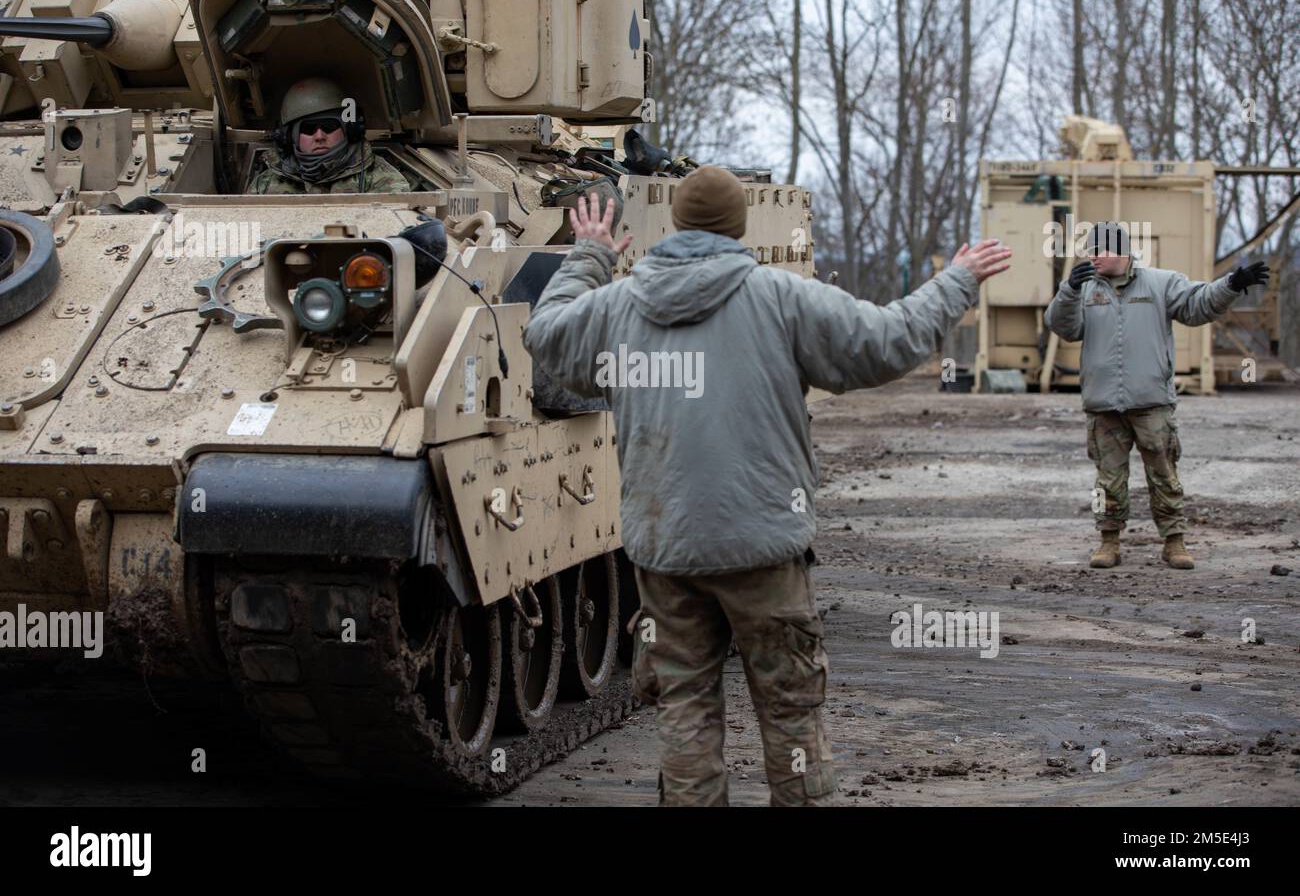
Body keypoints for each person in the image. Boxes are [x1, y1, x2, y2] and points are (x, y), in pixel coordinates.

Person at [522, 166, 1011, 805]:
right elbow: (891, 341)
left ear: (676, 225)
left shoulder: (619, 305)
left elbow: (545, 337)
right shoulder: (781, 298)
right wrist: (958, 279)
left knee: (685, 708)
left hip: (666, 548)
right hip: (765, 548)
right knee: (790, 712)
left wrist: (589, 254)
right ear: (739, 226)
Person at [1045, 221, 1268, 569]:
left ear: (1121, 251)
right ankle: (1108, 542)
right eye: (1090, 250)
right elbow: (1064, 328)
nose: (1093, 257)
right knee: (1107, 481)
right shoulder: (1085, 289)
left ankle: (1174, 543)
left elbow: (1198, 306)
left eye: (1099, 249)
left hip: (1151, 402)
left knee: (1164, 475)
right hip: (1104, 404)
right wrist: (1068, 291)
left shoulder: (1161, 283)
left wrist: (1232, 285)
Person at [247, 77, 410, 194]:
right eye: (309, 129)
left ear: (349, 129)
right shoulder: (266, 184)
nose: (319, 136)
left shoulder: (380, 178)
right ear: (290, 136)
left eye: (328, 126)